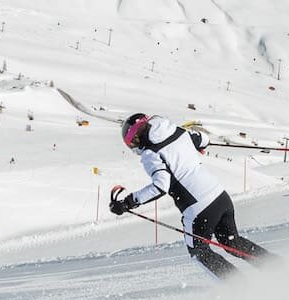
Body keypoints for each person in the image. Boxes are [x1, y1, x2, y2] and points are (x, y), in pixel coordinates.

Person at [111, 113, 272, 278]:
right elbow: (203, 139)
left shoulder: (151, 153)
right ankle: (277, 267)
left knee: (199, 252)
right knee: (232, 241)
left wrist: (128, 202)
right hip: (220, 197)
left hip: (199, 209)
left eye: (133, 139)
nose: (135, 144)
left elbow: (160, 186)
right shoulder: (178, 131)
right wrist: (195, 145)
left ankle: (240, 290)